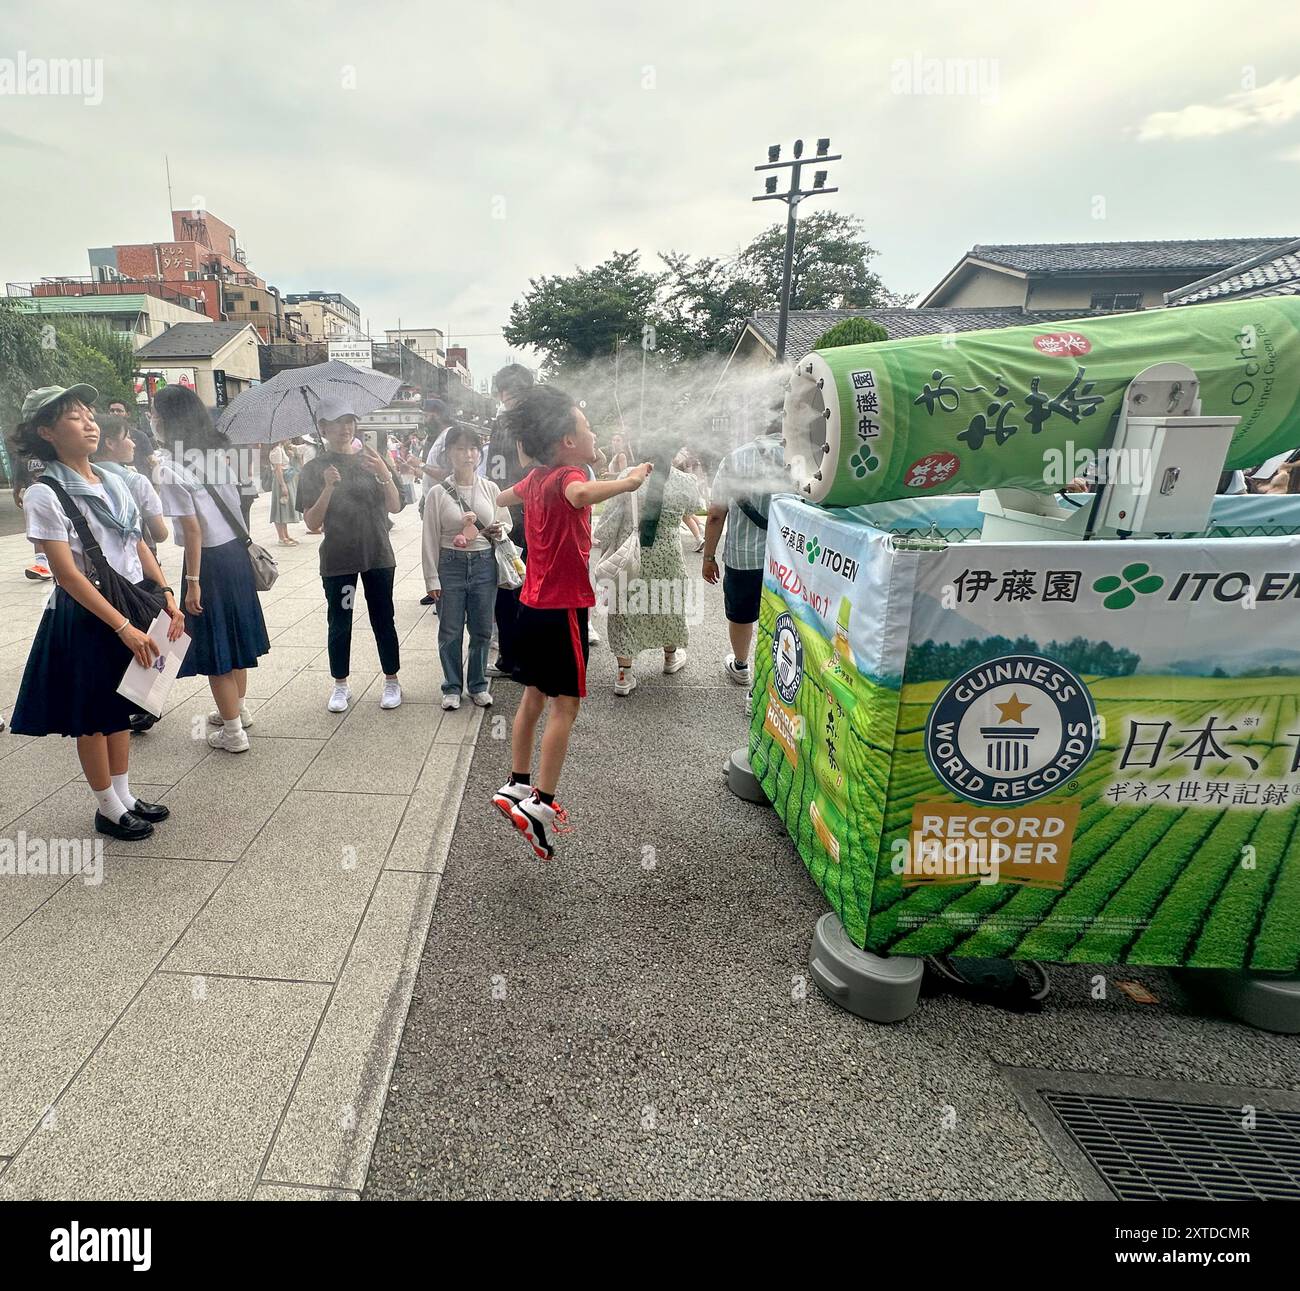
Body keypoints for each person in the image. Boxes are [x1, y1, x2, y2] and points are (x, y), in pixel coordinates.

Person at [5, 385, 185, 840]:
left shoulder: (113, 479)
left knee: (122, 705)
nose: (88, 422)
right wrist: (123, 627)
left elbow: (138, 539)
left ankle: (123, 794)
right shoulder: (45, 494)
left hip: (129, 600)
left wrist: (164, 589)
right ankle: (106, 807)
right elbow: (67, 575)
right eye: (72, 417)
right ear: (46, 431)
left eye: (88, 413)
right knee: (92, 715)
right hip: (87, 615)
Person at [488, 385, 651, 859]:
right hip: (562, 611)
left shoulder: (535, 479)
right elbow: (579, 491)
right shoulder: (568, 474)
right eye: (585, 427)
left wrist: (526, 462)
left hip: (530, 608)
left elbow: (500, 495)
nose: (593, 431)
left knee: (533, 699)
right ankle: (542, 802)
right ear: (566, 442)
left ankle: (516, 785)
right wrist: (626, 482)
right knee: (566, 708)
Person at [154, 384, 271, 752]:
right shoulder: (218, 455)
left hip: (208, 563)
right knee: (236, 638)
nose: (152, 420)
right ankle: (237, 711)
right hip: (236, 554)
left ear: (167, 420)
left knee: (218, 647)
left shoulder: (171, 468)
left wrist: (192, 581)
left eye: (155, 414)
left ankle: (233, 732)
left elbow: (193, 529)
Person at [296, 397, 406, 713]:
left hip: (378, 555)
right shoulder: (314, 469)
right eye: (336, 421)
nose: (345, 427)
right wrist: (328, 487)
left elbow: (396, 506)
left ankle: (391, 680)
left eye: (350, 420)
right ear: (322, 428)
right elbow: (312, 523)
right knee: (340, 621)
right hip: (339, 559)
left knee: (383, 617)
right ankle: (340, 685)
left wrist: (384, 472)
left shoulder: (373, 459)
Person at [422, 425, 511, 710]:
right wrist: (431, 578)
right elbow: (430, 537)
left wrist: (499, 531)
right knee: (449, 630)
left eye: (473, 448)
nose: (468, 454)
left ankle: (477, 685)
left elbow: (506, 521)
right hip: (450, 564)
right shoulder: (437, 493)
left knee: (482, 628)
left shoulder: (490, 488)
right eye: (460, 449)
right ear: (449, 453)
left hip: (485, 564)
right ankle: (451, 686)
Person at [596, 448, 696, 695]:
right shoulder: (685, 481)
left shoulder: (630, 475)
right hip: (668, 557)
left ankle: (624, 675)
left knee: (625, 611)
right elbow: (692, 509)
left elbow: (608, 522)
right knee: (668, 605)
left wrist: (604, 541)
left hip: (631, 555)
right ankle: (670, 658)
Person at [702, 413, 784, 709]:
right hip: (790, 559)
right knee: (782, 620)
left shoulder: (736, 459)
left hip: (743, 556)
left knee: (742, 615)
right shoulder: (805, 458)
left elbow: (715, 514)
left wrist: (709, 556)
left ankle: (741, 665)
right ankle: (766, 686)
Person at [484, 364, 536, 676]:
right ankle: (516, 656)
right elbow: (496, 471)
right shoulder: (539, 420)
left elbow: (495, 472)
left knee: (511, 587)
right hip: (519, 517)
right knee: (516, 586)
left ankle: (515, 658)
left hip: (519, 517)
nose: (507, 397)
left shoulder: (509, 423)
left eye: (509, 391)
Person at [92, 414, 169, 549]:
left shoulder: (76, 478)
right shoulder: (137, 481)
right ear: (110, 443)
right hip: (138, 559)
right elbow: (160, 534)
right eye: (127, 437)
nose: (133, 444)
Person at [268, 439, 301, 545]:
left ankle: (285, 534)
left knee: (284, 507)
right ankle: (281, 537)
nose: (288, 439)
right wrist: (283, 486)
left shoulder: (281, 448)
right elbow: (278, 469)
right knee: (280, 507)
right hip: (281, 480)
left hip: (286, 479)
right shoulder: (277, 450)